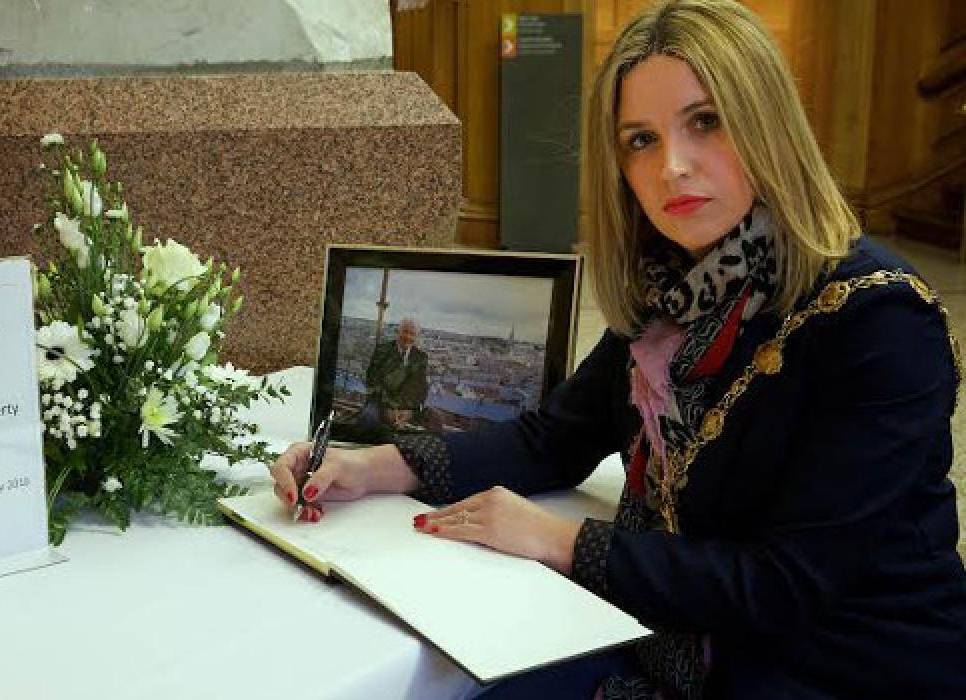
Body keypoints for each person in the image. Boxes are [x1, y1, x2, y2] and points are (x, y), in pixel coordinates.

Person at [271, 0, 966, 697]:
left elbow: (786, 583)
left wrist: (561, 541)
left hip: (837, 665)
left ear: (768, 121)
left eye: (706, 121)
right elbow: (555, 438)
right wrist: (371, 469)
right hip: (676, 634)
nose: (672, 167)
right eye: (640, 140)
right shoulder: (673, 290)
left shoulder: (878, 317)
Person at [357, 317, 429, 429]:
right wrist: (389, 407)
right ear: (398, 332)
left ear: (416, 337)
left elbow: (420, 388)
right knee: (368, 418)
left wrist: (409, 411)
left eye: (412, 334)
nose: (408, 337)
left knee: (434, 419)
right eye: (405, 331)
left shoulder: (421, 357)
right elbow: (372, 380)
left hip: (407, 407)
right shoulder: (382, 350)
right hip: (381, 402)